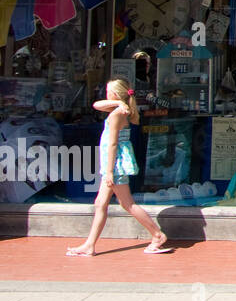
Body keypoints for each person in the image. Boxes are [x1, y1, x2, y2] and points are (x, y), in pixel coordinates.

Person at [65, 79, 171, 256]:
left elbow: (113, 144)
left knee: (127, 203)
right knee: (100, 204)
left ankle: (157, 235)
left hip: (114, 166)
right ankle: (89, 245)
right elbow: (96, 105)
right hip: (113, 165)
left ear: (114, 94)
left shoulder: (116, 115)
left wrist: (108, 172)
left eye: (108, 91)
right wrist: (117, 101)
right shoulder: (118, 109)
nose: (106, 94)